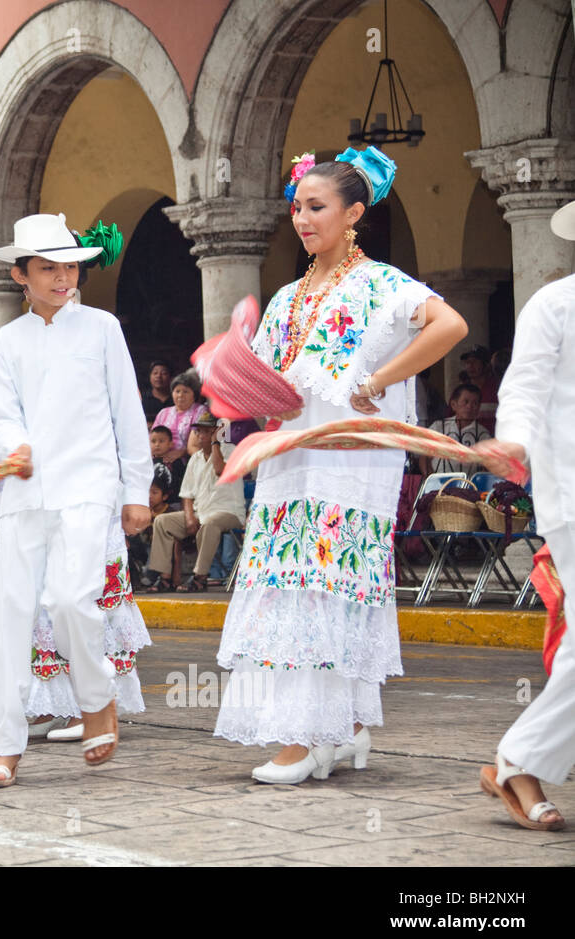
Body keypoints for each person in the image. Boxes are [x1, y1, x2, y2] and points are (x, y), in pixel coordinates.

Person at [213, 146, 468, 784]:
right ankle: (345, 730)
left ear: (353, 213)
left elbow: (451, 324)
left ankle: (303, 741)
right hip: (291, 462)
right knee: (295, 587)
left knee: (322, 587)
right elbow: (268, 387)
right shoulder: (286, 298)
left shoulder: (382, 284)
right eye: (297, 207)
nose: (302, 218)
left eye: (317, 207)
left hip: (351, 467)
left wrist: (378, 378)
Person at [0, 212, 152, 787]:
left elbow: (129, 412)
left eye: (69, 265)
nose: (61, 277)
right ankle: (6, 744)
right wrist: (15, 447)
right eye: (47, 267)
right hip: (22, 493)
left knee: (77, 602)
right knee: (12, 618)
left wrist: (135, 490)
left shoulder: (102, 328)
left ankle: (97, 702)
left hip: (88, 487)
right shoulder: (5, 341)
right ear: (19, 274)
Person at [473, 197, 575, 831]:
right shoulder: (556, 303)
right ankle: (520, 758)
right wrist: (512, 439)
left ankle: (521, 757)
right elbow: (526, 386)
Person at [143, 410, 245, 592]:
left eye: (205, 431)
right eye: (198, 431)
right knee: (162, 521)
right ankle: (165, 577)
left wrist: (215, 442)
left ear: (216, 432)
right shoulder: (195, 459)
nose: (199, 435)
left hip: (228, 512)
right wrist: (189, 518)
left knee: (210, 523)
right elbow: (187, 494)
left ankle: (200, 577)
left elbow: (220, 470)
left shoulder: (232, 451)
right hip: (201, 512)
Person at [424, 383, 491, 475]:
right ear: (453, 405)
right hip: (438, 482)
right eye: (466, 402)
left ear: (479, 408)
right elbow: (424, 457)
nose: (470, 407)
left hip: (467, 485)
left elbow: (486, 467)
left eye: (475, 403)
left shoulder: (483, 435)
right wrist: (431, 478)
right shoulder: (438, 427)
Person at [153, 369, 208, 458]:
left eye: (185, 391)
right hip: (162, 459)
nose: (180, 395)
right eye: (177, 391)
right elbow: (153, 438)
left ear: (194, 395)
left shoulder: (201, 411)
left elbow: (197, 443)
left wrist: (182, 452)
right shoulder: (163, 413)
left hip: (189, 459)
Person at [458, 344, 500, 433]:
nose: (470, 366)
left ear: (486, 364)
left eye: (475, 362)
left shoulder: (498, 388)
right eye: (467, 362)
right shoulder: (460, 391)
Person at [149, 423, 185, 490]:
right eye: (153, 441)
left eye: (161, 441)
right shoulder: (148, 462)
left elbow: (182, 483)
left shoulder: (175, 461)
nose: (157, 444)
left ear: (170, 444)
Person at [141, 359, 173, 424]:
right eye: (155, 373)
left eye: (164, 373)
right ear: (150, 377)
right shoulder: (143, 399)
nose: (158, 376)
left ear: (171, 378)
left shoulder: (175, 399)